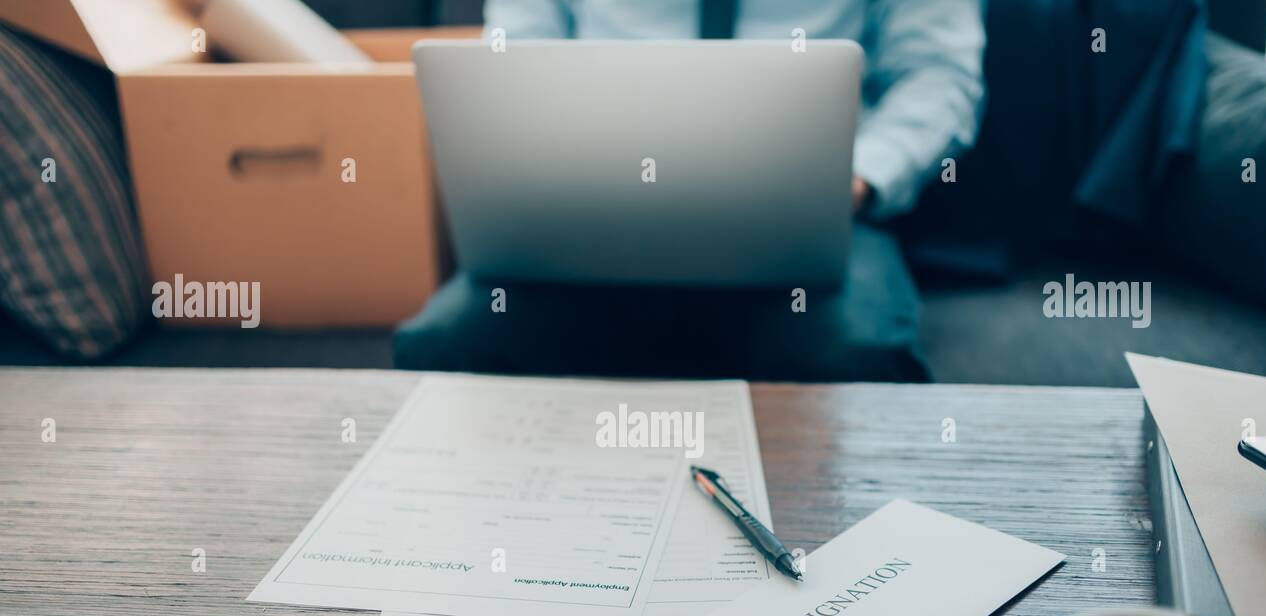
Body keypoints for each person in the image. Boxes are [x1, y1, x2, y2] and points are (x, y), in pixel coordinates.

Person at [394, 0, 986, 382]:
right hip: (593, 214)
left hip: (815, 218)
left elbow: (937, 76)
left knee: (855, 356)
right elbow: (509, 68)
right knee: (445, 346)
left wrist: (858, 176)